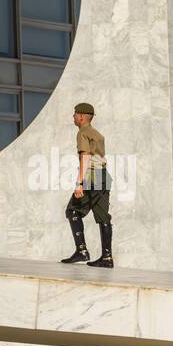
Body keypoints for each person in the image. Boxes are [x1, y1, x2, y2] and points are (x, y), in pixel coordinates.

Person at [60, 102, 114, 267]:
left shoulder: (83, 133)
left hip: (92, 176)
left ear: (82, 116)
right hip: (104, 176)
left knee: (72, 210)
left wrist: (79, 183)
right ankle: (107, 258)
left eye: (75, 114)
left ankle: (81, 251)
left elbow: (85, 157)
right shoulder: (97, 134)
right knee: (103, 216)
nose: (73, 117)